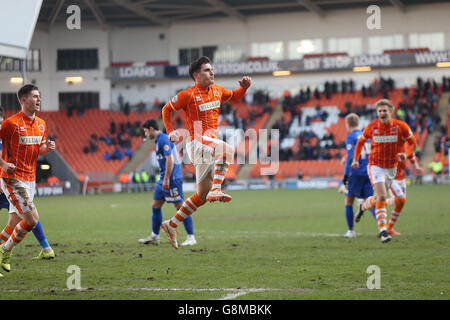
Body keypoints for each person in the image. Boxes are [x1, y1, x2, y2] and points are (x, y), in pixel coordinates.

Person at [160, 56, 252, 249]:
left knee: (201, 196)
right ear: (196, 75)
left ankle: (172, 224)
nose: (212, 72)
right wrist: (170, 132)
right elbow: (166, 110)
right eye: (207, 70)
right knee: (227, 149)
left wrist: (244, 87)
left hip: (208, 144)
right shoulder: (188, 94)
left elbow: (234, 96)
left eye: (212, 69)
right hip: (197, 141)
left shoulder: (217, 90)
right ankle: (217, 188)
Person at [0, 85, 56, 276]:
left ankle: (2, 248)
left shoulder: (41, 124)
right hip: (12, 178)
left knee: (14, 223)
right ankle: (5, 251)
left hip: (30, 180)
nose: (39, 99)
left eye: (39, 96)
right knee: (31, 220)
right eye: (34, 96)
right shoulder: (10, 124)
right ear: (23, 100)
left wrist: (46, 148)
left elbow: (38, 148)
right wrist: (3, 163)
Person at [352, 99, 416, 243]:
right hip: (375, 166)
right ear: (377, 113)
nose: (382, 113)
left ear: (390, 111)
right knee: (381, 196)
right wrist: (355, 159)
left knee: (377, 198)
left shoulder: (401, 127)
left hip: (391, 168)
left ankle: (362, 207)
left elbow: (413, 143)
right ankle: (383, 231)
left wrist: (405, 155)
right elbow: (360, 142)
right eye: (379, 111)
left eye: (384, 110)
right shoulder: (372, 127)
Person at [138, 119, 196, 246]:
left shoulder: (163, 139)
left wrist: (166, 179)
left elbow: (169, 159)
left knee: (180, 206)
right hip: (164, 178)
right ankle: (155, 236)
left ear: (152, 129)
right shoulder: (159, 140)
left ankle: (191, 237)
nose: (146, 134)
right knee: (156, 205)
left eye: (146, 131)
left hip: (171, 178)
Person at [341, 113, 376, 238]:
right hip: (368, 172)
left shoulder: (350, 137)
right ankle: (383, 227)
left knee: (349, 201)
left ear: (348, 124)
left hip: (355, 173)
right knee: (371, 201)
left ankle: (351, 231)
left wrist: (345, 176)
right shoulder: (367, 137)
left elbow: (351, 157)